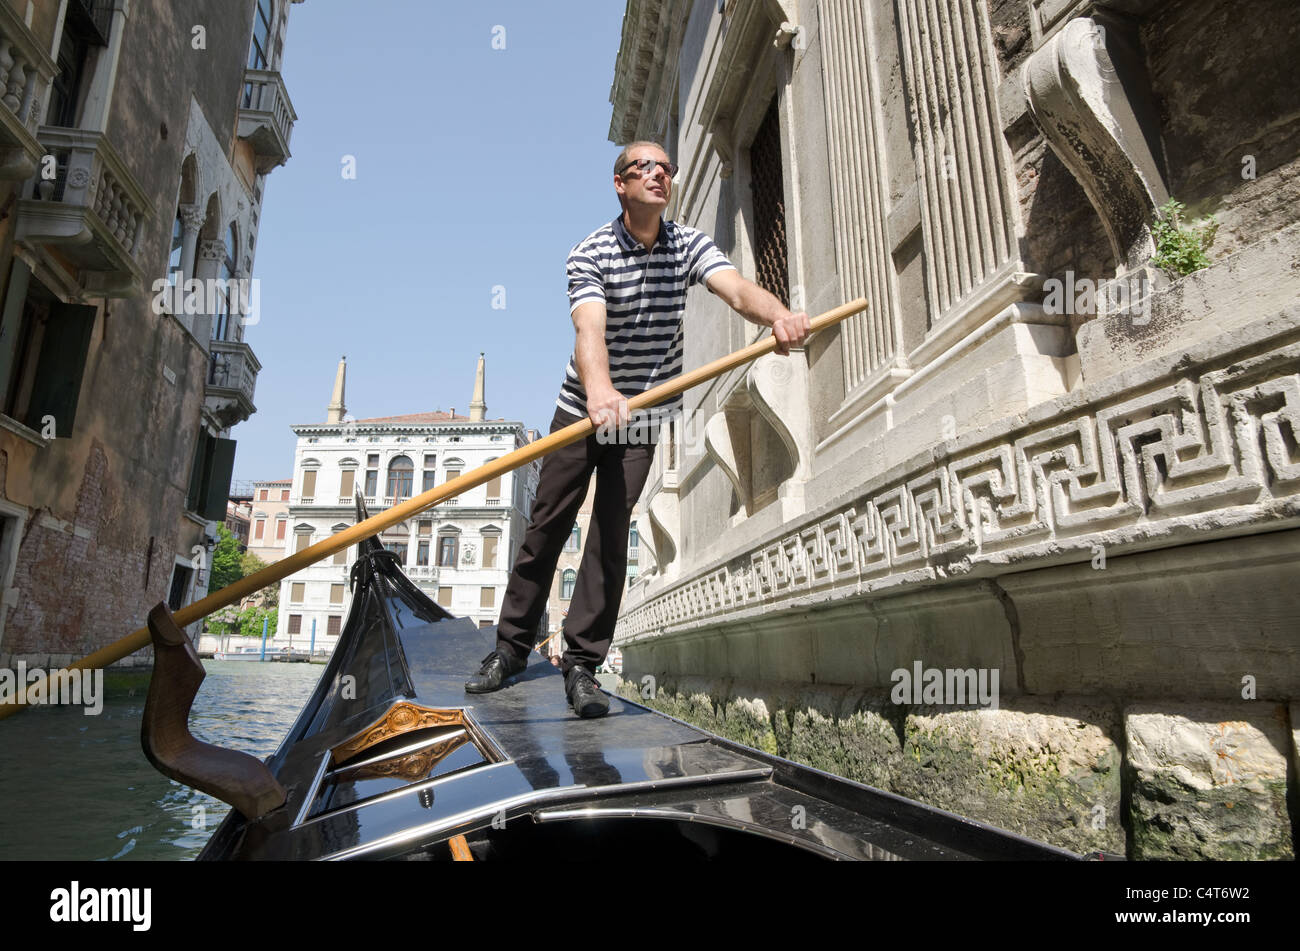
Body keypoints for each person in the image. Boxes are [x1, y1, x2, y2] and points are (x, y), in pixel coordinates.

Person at [465, 141, 811, 717]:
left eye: (665, 168)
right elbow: (589, 330)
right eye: (644, 168)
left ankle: (581, 666)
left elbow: (738, 291)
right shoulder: (590, 252)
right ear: (619, 184)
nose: (659, 175)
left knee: (608, 535)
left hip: (643, 413)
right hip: (582, 408)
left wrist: (780, 315)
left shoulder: (687, 244)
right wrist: (601, 393)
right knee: (547, 524)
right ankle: (509, 650)